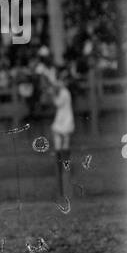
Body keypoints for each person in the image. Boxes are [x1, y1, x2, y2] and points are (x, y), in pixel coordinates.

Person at [47, 66, 75, 200]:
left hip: (65, 117)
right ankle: (60, 156)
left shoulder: (64, 92)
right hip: (62, 117)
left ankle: (62, 158)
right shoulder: (63, 91)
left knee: (63, 138)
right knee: (60, 137)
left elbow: (58, 103)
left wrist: (52, 94)